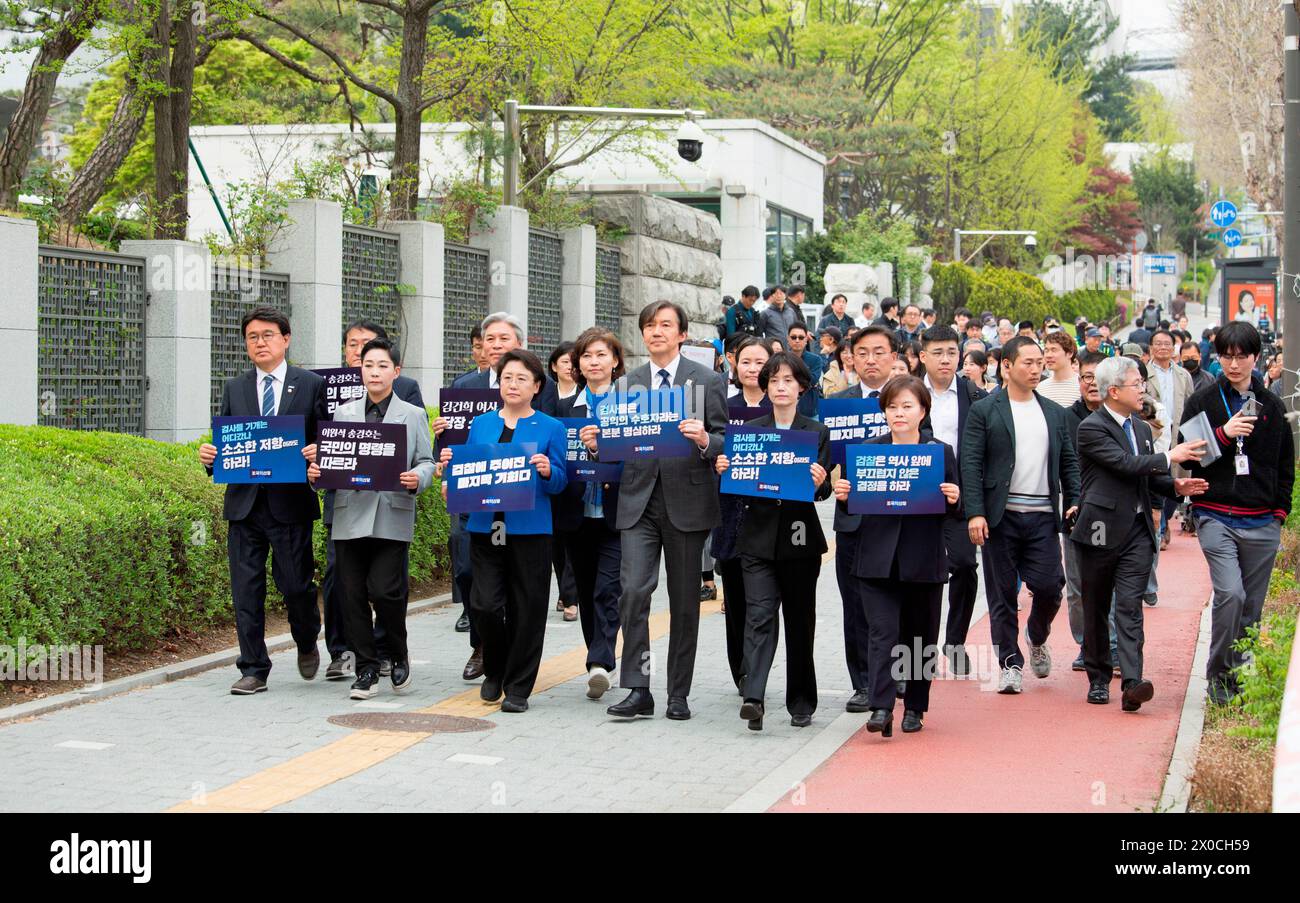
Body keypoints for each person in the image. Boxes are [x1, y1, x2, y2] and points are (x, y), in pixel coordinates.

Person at [588, 300, 727, 722]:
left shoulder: (707, 381)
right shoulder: (626, 384)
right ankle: (638, 687)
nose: (656, 332)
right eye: (649, 325)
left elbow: (724, 440)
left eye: (665, 325)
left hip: (686, 501)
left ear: (682, 333)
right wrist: (598, 446)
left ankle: (678, 694)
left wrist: (705, 439)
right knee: (633, 592)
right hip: (638, 502)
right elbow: (617, 445)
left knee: (685, 602)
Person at [197, 308, 327, 695]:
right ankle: (253, 667)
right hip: (244, 505)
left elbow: (326, 440)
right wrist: (211, 458)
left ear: (286, 339)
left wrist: (318, 455)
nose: (260, 343)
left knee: (294, 586)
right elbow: (228, 443)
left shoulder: (310, 385)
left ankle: (306, 639)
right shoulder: (234, 387)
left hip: (290, 505)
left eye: (268, 335)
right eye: (252, 336)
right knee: (245, 590)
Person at [1071, 356, 1207, 710]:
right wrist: (1170, 456)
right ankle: (1098, 677)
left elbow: (1146, 477)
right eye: (1136, 384)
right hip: (1099, 528)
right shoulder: (1091, 428)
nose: (1143, 389)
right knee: (1097, 604)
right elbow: (1124, 464)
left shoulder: (1143, 429)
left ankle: (1132, 681)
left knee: (1130, 606)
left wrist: (1176, 485)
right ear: (1113, 391)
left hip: (1136, 530)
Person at [438, 349, 568, 713]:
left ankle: (518, 686)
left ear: (536, 386)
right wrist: (451, 480)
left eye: (521, 378)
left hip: (530, 529)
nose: (513, 384)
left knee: (528, 608)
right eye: (507, 377)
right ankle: (494, 668)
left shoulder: (550, 427)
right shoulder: (481, 424)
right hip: (487, 525)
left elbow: (560, 483)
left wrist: (546, 470)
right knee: (485, 604)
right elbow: (469, 471)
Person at [306, 338, 436, 699]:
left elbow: (427, 462)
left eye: (382, 365)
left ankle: (396, 653)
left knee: (385, 591)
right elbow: (330, 466)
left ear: (396, 371)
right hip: (349, 516)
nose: (374, 372)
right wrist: (316, 475)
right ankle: (365, 670)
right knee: (351, 595)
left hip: (392, 514)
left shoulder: (412, 414)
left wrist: (418, 479)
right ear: (358, 370)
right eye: (368, 365)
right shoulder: (343, 414)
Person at [834, 376, 961, 737]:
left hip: (923, 560)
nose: (899, 413)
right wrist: (844, 496)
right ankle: (881, 706)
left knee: (921, 639)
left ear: (923, 410)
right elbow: (849, 513)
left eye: (907, 406)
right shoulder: (867, 450)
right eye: (892, 406)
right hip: (876, 559)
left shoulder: (940, 452)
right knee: (881, 634)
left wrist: (954, 498)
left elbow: (955, 511)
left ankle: (916, 707)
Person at [1180, 322, 1295, 705]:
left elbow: (1285, 466)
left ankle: (1242, 680)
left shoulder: (1273, 406)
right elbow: (1188, 455)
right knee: (1230, 593)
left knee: (1251, 608)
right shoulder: (1204, 400)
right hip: (1216, 514)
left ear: (1255, 358)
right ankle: (1218, 676)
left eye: (1240, 356)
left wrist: (1279, 512)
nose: (1233, 364)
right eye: (1226, 356)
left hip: (1262, 520)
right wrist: (1224, 434)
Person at [716, 352, 831, 730]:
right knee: (759, 617)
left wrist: (819, 481)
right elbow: (736, 485)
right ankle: (754, 697)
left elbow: (824, 490)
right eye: (774, 380)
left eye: (788, 380)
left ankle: (801, 700)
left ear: (801, 387)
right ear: (765, 387)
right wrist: (726, 469)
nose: (781, 387)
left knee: (800, 620)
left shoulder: (815, 431)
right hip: (757, 537)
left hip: (799, 537)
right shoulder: (750, 432)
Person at [961, 336, 1081, 694]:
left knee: (1050, 586)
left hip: (1043, 516)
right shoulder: (985, 410)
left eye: (1039, 362)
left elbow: (1069, 462)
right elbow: (971, 463)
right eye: (1027, 362)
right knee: (1001, 596)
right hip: (1000, 517)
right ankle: (1010, 663)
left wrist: (1074, 499)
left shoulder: (1054, 413)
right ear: (1006, 366)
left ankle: (1036, 634)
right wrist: (975, 513)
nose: (1035, 368)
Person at [829, 325, 899, 712]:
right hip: (854, 521)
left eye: (879, 352)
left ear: (892, 356)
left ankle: (898, 674)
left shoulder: (909, 399)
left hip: (901, 521)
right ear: (850, 359)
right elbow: (825, 462)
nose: (871, 360)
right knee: (855, 607)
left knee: (899, 604)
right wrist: (825, 483)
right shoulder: (839, 405)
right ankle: (863, 683)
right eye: (863, 353)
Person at [554, 328, 627, 700]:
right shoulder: (564, 408)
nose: (594, 362)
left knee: (607, 589)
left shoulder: (632, 405)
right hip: (576, 513)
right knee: (584, 589)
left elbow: (642, 457)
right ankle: (596, 655)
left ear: (615, 361)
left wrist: (604, 449)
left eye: (601, 355)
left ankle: (601, 661)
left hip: (616, 514)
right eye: (586, 356)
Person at [919, 326, 988, 675]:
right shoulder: (910, 393)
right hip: (914, 500)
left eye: (951, 352)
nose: (945, 359)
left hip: (959, 500)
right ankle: (919, 651)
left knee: (964, 566)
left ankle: (956, 640)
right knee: (918, 576)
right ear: (922, 356)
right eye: (937, 352)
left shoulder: (974, 395)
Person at [716, 336, 774, 689]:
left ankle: (758, 669)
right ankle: (740, 669)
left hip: (770, 515)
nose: (753, 369)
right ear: (734, 365)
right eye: (747, 362)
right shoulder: (722, 406)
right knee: (736, 601)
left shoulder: (781, 406)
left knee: (763, 603)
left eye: (760, 362)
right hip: (730, 514)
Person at [1063, 351, 1113, 671]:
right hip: (1075, 511)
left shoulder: (1121, 418)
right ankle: (1085, 643)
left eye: (1098, 377)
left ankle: (1111, 645)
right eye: (1086, 377)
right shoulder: (1064, 418)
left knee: (1112, 582)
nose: (1092, 384)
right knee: (1078, 585)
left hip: (1112, 513)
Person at [1146, 328, 1195, 556]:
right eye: (1158, 343)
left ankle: (1163, 519)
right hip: (1153, 432)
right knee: (1156, 477)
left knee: (1176, 483)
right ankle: (1162, 528)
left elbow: (1191, 404)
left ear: (1174, 348)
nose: (1163, 347)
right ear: (1151, 348)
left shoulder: (1183, 375)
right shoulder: (1143, 373)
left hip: (1177, 433)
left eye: (1167, 344)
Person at [547, 341, 580, 621]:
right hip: (550, 472)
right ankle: (564, 591)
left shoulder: (584, 395)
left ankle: (571, 595)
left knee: (572, 536)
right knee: (556, 537)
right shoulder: (544, 392)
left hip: (579, 474)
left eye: (574, 361)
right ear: (554, 365)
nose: (570, 366)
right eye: (565, 361)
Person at [785, 322, 824, 418]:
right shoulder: (782, 358)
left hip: (809, 410)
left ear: (806, 339)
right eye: (793, 337)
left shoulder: (816, 359)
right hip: (785, 410)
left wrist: (789, 378)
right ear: (788, 339)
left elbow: (811, 380)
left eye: (801, 337)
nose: (797, 340)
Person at [1037, 331, 1080, 407]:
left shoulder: (1082, 386)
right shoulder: (1040, 389)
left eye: (1054, 350)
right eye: (1046, 350)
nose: (1048, 355)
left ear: (1069, 353)